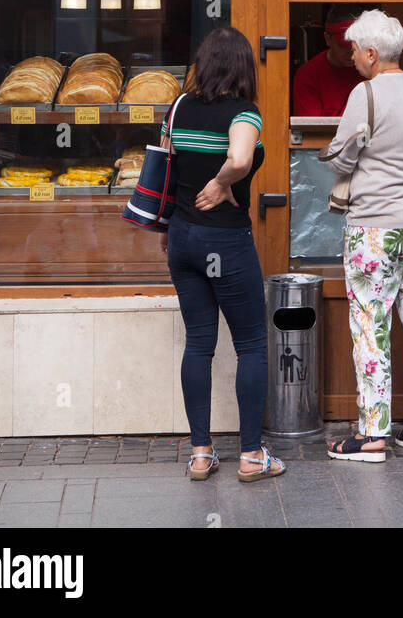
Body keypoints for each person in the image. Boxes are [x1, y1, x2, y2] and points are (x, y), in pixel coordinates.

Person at [159, 26, 285, 482]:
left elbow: (167, 167)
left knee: (199, 344)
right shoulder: (244, 113)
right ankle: (251, 457)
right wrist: (221, 182)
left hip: (182, 238)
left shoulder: (180, 108)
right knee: (251, 344)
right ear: (243, 68)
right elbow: (239, 159)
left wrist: (168, 225)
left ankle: (200, 453)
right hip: (225, 242)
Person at [323, 9, 403, 463]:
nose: (352, 57)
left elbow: (341, 158)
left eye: (355, 50)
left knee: (371, 326)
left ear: (372, 53)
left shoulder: (365, 94)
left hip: (375, 225)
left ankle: (373, 434)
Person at [292, 5, 362, 116]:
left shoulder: (369, 69)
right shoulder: (308, 75)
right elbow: (310, 130)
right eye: (343, 46)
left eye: (356, 45)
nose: (351, 52)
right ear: (327, 39)